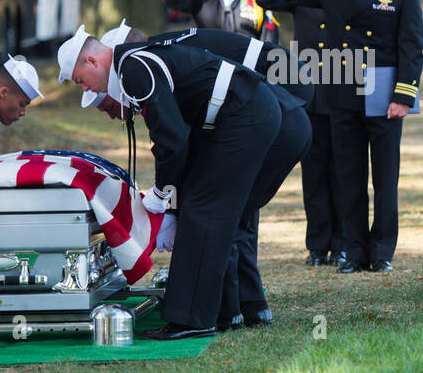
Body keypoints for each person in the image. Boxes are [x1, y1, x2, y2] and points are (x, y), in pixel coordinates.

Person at [60, 22, 282, 339]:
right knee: (200, 208)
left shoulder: (132, 68)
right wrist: (172, 202)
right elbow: (178, 142)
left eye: (82, 81)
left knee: (205, 211)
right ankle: (211, 312)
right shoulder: (133, 61)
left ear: (93, 62)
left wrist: (162, 195)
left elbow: (172, 141)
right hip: (242, 113)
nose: (87, 90)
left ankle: (193, 320)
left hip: (245, 115)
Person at [257, 0, 423, 273]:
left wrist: (404, 96)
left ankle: (381, 252)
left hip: (382, 93)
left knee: (384, 176)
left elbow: (411, 47)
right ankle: (352, 249)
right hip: (342, 89)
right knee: (348, 175)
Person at [119, 24, 312, 330]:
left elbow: (183, 145)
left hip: (278, 113)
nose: (111, 108)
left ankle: (227, 309)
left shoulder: (154, 66)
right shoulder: (172, 52)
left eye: (105, 98)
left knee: (214, 210)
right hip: (280, 114)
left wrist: (169, 206)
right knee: (232, 215)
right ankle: (244, 308)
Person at [267, 0, 351, 267]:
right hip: (308, 82)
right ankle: (318, 243)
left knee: (345, 165)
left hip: (347, 80)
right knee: (313, 165)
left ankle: (346, 241)